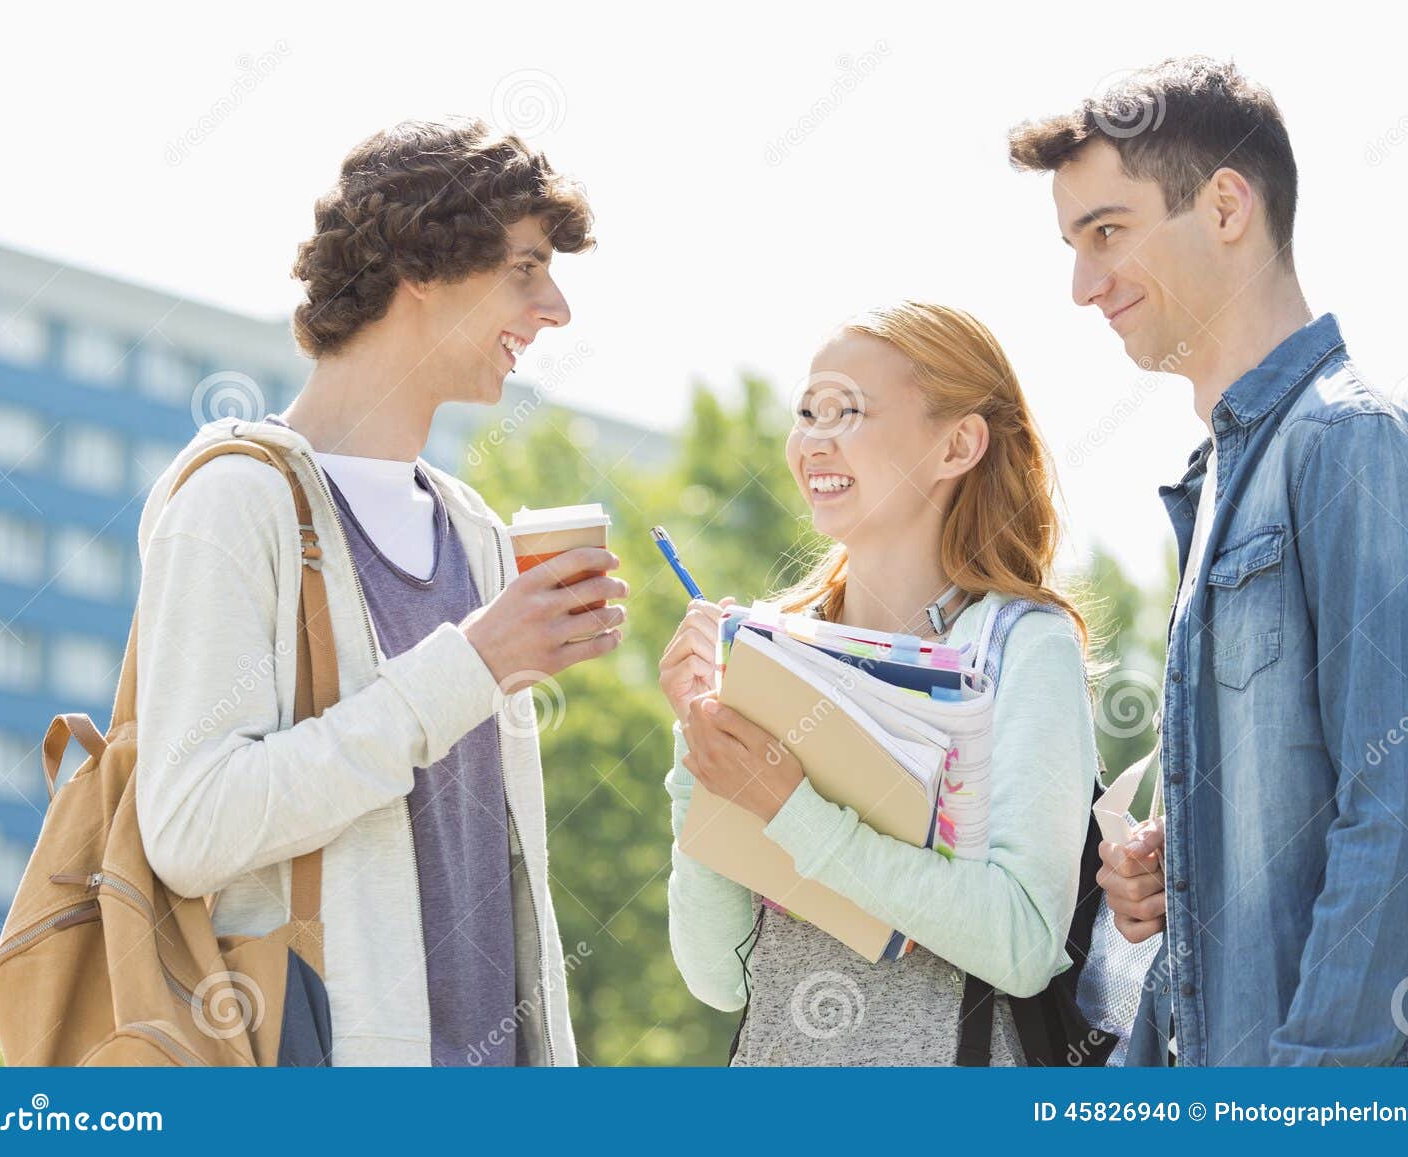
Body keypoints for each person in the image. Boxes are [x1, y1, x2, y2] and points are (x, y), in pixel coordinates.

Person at [1009, 56, 1408, 1065]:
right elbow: (1304, 814)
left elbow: (1405, 831)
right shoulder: (1218, 478)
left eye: (1106, 233)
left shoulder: (1357, 444)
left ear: (1224, 204)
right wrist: (1185, 869)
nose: (1083, 285)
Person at [133, 118, 627, 1066]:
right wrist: (473, 666)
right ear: (422, 265)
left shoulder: (477, 533)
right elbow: (192, 828)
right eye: (525, 267)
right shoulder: (239, 501)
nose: (555, 307)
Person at [660, 302, 1100, 1065]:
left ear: (958, 443)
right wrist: (696, 754)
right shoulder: (771, 645)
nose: (813, 438)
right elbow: (716, 975)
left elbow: (1025, 944)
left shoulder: (1024, 648)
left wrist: (792, 810)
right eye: (806, 411)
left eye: (848, 410)